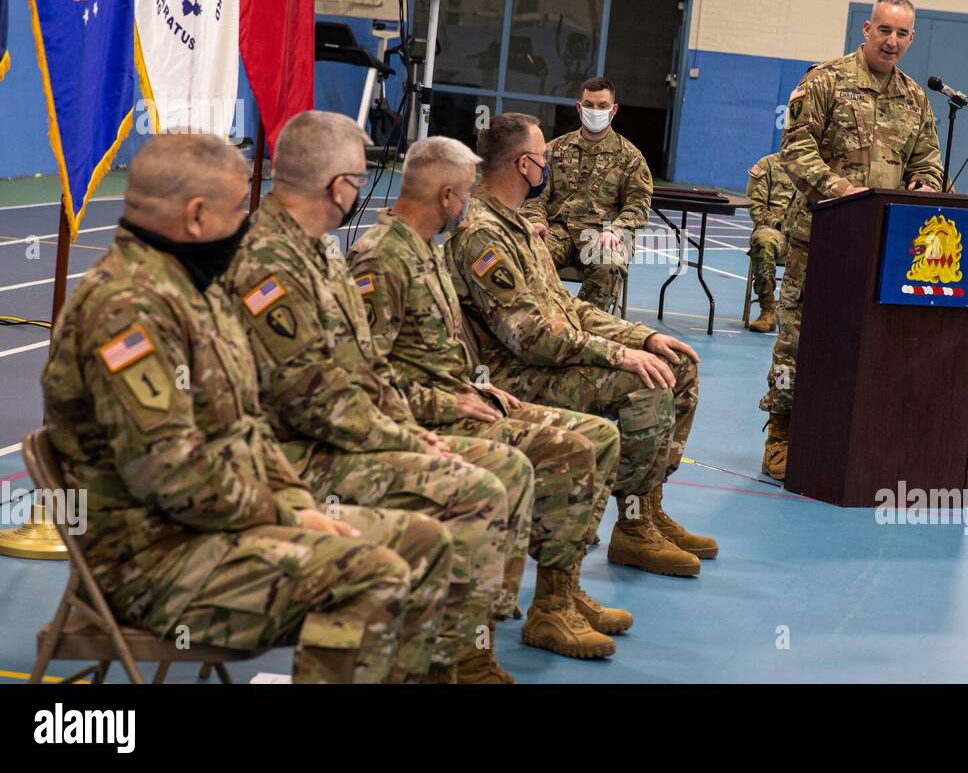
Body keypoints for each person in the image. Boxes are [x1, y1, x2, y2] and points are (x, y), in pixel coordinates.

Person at [41, 133, 453, 683]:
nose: (246, 222)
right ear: (195, 217)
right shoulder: (128, 309)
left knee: (426, 541)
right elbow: (171, 474)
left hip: (218, 527)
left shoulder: (192, 286)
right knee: (370, 574)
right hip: (155, 560)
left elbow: (246, 427)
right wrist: (288, 517)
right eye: (238, 208)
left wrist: (296, 500)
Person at [223, 111, 529, 684]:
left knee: (494, 470)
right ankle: (443, 663)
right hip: (291, 459)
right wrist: (406, 438)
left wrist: (412, 434)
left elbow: (365, 372)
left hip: (334, 442)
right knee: (477, 491)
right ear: (338, 187)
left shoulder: (316, 253)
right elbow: (311, 402)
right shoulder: (270, 263)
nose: (362, 191)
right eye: (360, 179)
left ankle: (452, 655)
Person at [348, 135, 631, 659]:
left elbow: (428, 354)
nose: (474, 201)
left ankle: (557, 597)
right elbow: (364, 379)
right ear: (449, 196)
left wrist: (473, 388)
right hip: (420, 422)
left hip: (460, 397)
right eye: (469, 191)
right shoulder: (382, 260)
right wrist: (448, 403)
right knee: (564, 449)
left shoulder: (422, 250)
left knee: (599, 436)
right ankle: (481, 640)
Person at [447, 112, 718, 578]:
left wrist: (643, 336)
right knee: (645, 386)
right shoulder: (483, 234)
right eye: (543, 158)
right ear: (523, 164)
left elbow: (570, 311)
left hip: (545, 360)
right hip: (511, 374)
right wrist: (616, 354)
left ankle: (643, 514)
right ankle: (629, 532)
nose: (547, 165)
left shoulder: (519, 227)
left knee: (676, 365)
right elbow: (530, 336)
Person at [760, 0, 944, 481]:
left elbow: (927, 159)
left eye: (902, 34)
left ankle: (851, 432)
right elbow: (795, 150)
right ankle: (780, 433)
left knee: (868, 341)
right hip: (820, 235)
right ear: (866, 29)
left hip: (884, 245)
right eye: (884, 30)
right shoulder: (825, 81)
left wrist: (925, 184)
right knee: (797, 340)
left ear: (911, 39)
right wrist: (845, 192)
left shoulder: (914, 97)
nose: (892, 41)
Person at [519, 77, 653, 312]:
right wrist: (536, 221)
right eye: (589, 105)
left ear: (614, 110)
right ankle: (540, 319)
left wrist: (617, 230)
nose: (595, 111)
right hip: (557, 230)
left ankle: (586, 326)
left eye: (602, 106)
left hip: (603, 234)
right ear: (579, 107)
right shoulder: (553, 150)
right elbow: (534, 195)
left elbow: (638, 205)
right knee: (525, 252)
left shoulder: (630, 157)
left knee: (608, 263)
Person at [744, 151, 796, 333]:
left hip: (811, 232)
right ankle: (768, 310)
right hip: (777, 231)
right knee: (763, 241)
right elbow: (756, 206)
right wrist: (779, 224)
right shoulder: (768, 164)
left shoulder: (824, 168)